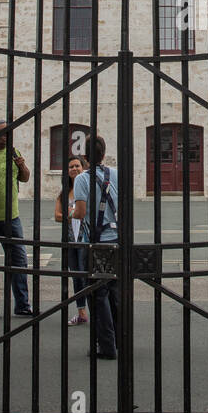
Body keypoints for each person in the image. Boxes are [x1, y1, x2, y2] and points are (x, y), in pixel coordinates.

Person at [72, 136, 120, 359]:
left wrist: (71, 211)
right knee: (115, 292)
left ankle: (107, 346)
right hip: (116, 239)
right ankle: (119, 340)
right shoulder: (115, 174)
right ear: (104, 152)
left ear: (85, 156)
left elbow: (80, 213)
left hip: (96, 243)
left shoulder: (82, 179)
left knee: (98, 295)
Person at [0, 120, 32, 320]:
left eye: (8, 133)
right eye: (1, 133)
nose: (5, 136)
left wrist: (22, 165)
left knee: (19, 261)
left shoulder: (14, 152)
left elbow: (25, 178)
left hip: (12, 216)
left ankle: (22, 305)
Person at [54, 156, 88, 326]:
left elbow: (86, 213)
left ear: (83, 168)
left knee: (87, 274)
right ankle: (81, 312)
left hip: (85, 238)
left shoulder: (89, 188)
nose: (74, 169)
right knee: (75, 275)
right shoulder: (64, 192)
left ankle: (96, 310)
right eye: (70, 167)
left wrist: (73, 213)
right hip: (70, 238)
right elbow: (57, 216)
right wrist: (73, 214)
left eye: (77, 166)